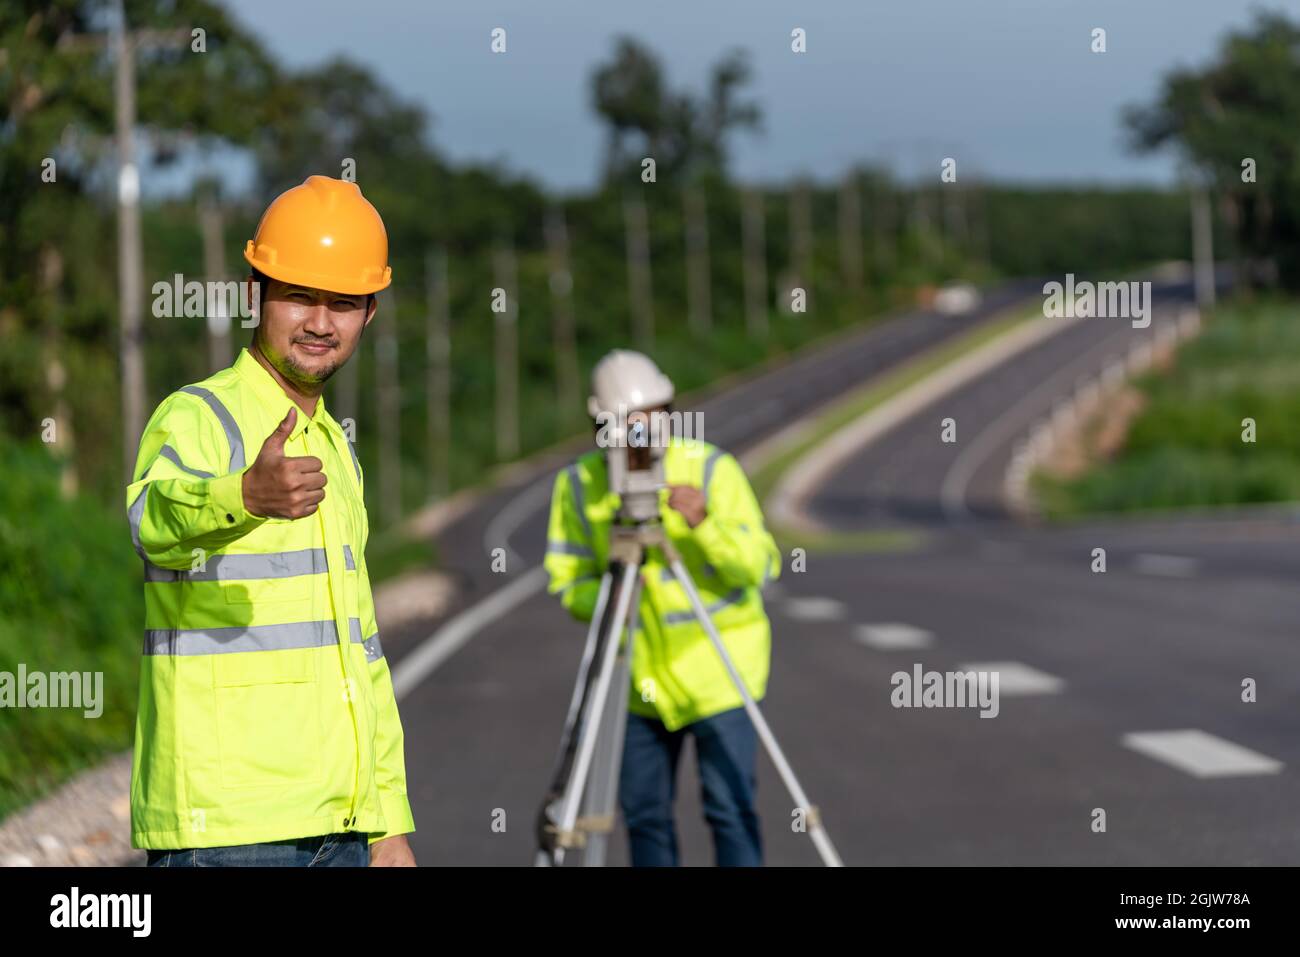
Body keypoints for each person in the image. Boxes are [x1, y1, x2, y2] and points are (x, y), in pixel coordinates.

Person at [126, 175, 415, 866]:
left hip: (338, 825)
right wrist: (244, 494)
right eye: (299, 296)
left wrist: (388, 820)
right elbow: (150, 520)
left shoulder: (337, 448)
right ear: (256, 293)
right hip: (227, 833)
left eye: (343, 302)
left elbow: (362, 647)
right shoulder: (200, 415)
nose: (320, 321)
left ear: (369, 313)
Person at [544, 349, 781, 866]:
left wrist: (705, 525)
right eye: (627, 422)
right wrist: (611, 595)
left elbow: (759, 567)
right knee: (646, 818)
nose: (640, 434)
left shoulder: (711, 468)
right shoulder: (580, 485)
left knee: (730, 809)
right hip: (634, 686)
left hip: (721, 676)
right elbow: (567, 582)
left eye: (650, 418)